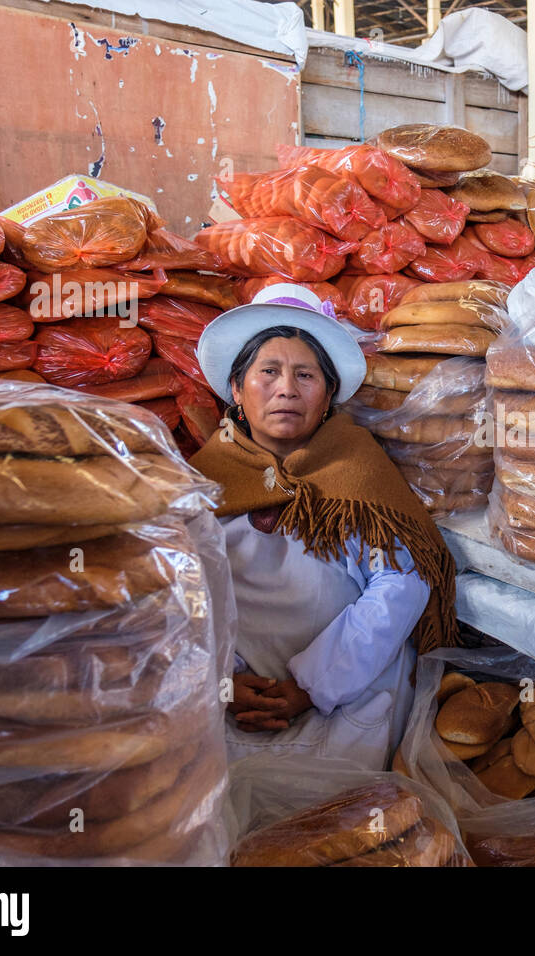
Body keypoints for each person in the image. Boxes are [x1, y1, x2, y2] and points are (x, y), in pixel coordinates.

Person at [189, 283, 457, 771]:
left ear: (328, 393)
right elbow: (180, 594)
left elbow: (401, 583)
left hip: (350, 691)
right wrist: (220, 680)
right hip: (235, 700)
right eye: (268, 371)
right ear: (236, 388)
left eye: (305, 375)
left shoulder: (360, 467)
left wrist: (312, 687)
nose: (286, 389)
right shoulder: (204, 479)